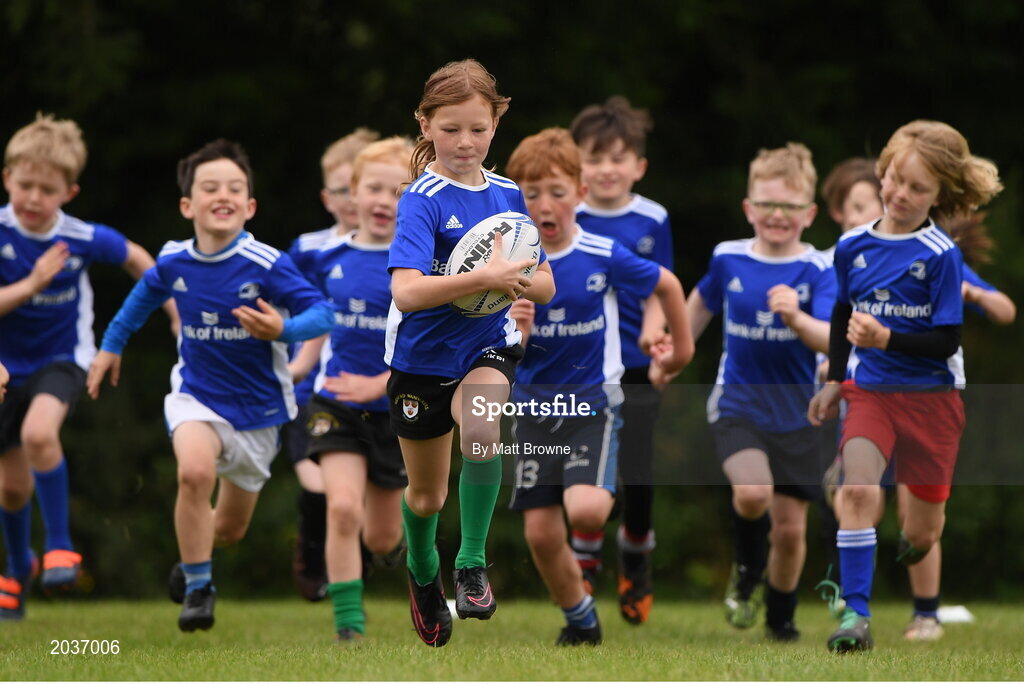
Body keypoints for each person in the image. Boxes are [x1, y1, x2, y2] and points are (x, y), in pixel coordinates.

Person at [86, 139, 333, 632]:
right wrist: (111, 345)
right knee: (194, 474)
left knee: (230, 530)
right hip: (196, 396)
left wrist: (282, 330)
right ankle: (200, 589)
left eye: (234, 188)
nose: (223, 195)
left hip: (259, 412)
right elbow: (139, 301)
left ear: (250, 206)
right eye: (210, 187)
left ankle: (192, 558)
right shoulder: (174, 261)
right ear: (187, 205)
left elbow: (323, 313)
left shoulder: (266, 262)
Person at [808, 120, 1003, 652]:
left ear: (939, 195)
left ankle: (917, 544)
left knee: (921, 535)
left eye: (918, 188)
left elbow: (946, 341)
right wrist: (835, 379)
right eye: (895, 179)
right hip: (870, 391)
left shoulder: (941, 255)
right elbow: (842, 311)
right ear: (882, 171)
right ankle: (855, 617)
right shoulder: (851, 245)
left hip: (932, 401)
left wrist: (887, 336)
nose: (900, 194)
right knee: (857, 490)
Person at [386, 59, 555, 648]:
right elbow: (406, 292)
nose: (465, 141)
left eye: (478, 129)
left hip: (487, 346)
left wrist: (515, 281)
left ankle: (472, 564)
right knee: (426, 495)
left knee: (481, 431)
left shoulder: (507, 194)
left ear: (495, 125)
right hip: (421, 360)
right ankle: (423, 569)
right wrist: (482, 277)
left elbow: (546, 284)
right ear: (425, 125)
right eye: (451, 128)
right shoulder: (421, 200)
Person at [504, 127, 693, 645]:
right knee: (541, 535)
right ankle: (581, 618)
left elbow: (667, 285)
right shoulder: (501, 264)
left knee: (586, 509)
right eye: (531, 194)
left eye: (557, 192)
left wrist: (681, 351)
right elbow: (489, 349)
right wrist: (516, 335)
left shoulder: (602, 253)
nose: (545, 205)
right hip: (531, 412)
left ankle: (601, 542)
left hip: (594, 406)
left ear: (580, 194)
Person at [0, 114, 177, 621]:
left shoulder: (80, 237)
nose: (34, 198)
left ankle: (60, 546)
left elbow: (139, 259)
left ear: (69, 192)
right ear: (7, 178)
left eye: (47, 189)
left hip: (62, 360)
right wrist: (33, 284)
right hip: (4, 368)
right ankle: (18, 567)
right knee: (11, 488)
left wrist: (174, 311)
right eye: (25, 185)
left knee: (39, 434)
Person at [687, 143, 835, 641]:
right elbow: (701, 304)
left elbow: (830, 339)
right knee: (753, 494)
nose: (777, 215)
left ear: (809, 214)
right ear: (749, 208)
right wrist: (674, 351)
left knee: (790, 531)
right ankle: (749, 569)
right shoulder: (728, 257)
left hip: (799, 415)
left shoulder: (818, 270)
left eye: (789, 206)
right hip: (738, 405)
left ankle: (781, 618)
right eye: (767, 204)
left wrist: (797, 317)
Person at [290, 137, 413, 643]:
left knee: (382, 536)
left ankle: (396, 548)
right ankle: (349, 627)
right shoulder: (324, 257)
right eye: (373, 189)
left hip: (397, 407)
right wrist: (295, 366)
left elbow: (426, 351)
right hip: (335, 402)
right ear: (353, 193)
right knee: (341, 507)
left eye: (397, 191)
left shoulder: (420, 266)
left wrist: (378, 385)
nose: (384, 201)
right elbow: (313, 320)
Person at [568, 96, 674, 625]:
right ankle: (584, 561)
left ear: (640, 166)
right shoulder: (565, 215)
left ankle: (635, 552)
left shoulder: (653, 218)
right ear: (576, 166)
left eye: (618, 158)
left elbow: (661, 287)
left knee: (637, 467)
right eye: (594, 158)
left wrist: (657, 331)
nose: (606, 169)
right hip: (579, 364)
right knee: (578, 461)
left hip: (635, 362)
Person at [285, 127, 380, 603]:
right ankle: (312, 551)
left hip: (383, 398)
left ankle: (358, 553)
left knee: (371, 518)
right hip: (314, 393)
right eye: (340, 190)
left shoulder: (407, 254)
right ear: (329, 197)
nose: (350, 200)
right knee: (324, 488)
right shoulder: (310, 251)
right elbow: (294, 311)